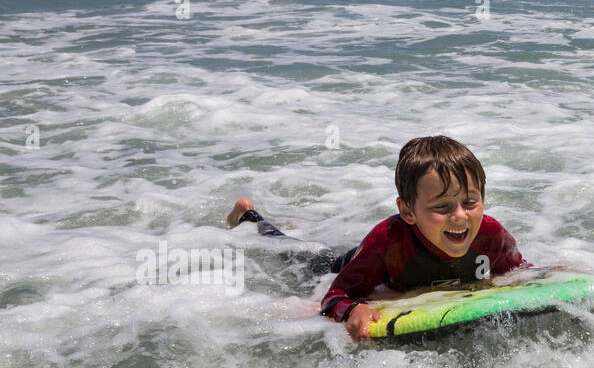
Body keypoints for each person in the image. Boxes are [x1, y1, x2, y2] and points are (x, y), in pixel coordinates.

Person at [226, 135, 532, 341]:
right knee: (291, 253)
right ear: (408, 210)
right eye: (441, 207)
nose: (460, 216)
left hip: (373, 265)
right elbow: (333, 297)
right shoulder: (389, 241)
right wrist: (353, 309)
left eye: (470, 202)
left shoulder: (490, 233)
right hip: (338, 266)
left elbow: (518, 272)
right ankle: (248, 219)